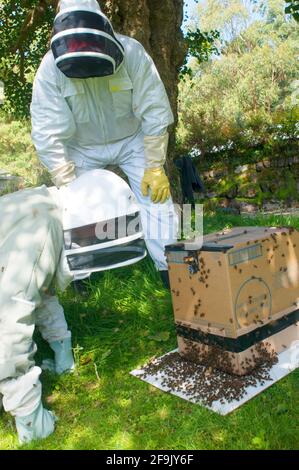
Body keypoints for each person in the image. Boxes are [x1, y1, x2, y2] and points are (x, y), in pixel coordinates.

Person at [30, 0, 178, 289]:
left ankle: (171, 273)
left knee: (157, 203)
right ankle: (81, 278)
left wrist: (155, 165)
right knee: (75, 211)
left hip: (132, 139)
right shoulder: (49, 68)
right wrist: (66, 180)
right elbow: (47, 129)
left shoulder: (133, 52)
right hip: (82, 146)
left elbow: (154, 109)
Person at [0, 169, 146, 444]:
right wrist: (29, 413)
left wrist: (61, 348)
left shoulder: (47, 211)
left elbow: (39, 293)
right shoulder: (38, 235)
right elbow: (9, 325)